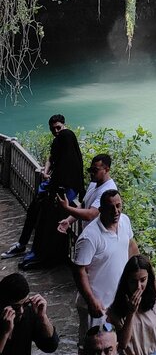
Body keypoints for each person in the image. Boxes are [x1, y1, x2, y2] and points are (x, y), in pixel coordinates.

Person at [2, 115, 82, 262]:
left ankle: (40, 252)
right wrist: (46, 172)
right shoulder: (59, 141)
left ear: (64, 125)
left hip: (61, 190)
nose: (56, 131)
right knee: (33, 213)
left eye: (58, 127)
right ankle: (22, 245)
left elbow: (69, 169)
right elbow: (51, 158)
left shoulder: (67, 139)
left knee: (46, 220)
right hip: (52, 186)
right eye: (53, 129)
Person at [72, 190, 138, 346]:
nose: (116, 211)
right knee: (92, 345)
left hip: (117, 302)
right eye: (110, 207)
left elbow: (131, 246)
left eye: (118, 206)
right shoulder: (90, 237)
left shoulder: (124, 221)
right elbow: (79, 270)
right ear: (101, 210)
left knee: (116, 344)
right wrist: (91, 301)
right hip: (97, 306)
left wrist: (142, 275)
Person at [108, 255, 156, 355]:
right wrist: (130, 313)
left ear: (149, 278)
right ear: (127, 281)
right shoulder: (118, 306)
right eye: (133, 281)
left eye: (143, 280)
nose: (138, 287)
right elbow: (123, 344)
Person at [0, 272, 58, 355]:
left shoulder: (28, 312)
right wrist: (5, 334)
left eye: (25, 304)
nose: (21, 311)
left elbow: (50, 347)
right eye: (16, 307)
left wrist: (43, 318)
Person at [56, 155, 115, 235]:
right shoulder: (94, 183)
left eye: (95, 170)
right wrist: (68, 220)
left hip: (99, 237)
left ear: (106, 170)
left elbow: (90, 215)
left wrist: (67, 208)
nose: (92, 173)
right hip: (87, 233)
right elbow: (83, 205)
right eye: (91, 170)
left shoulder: (108, 190)